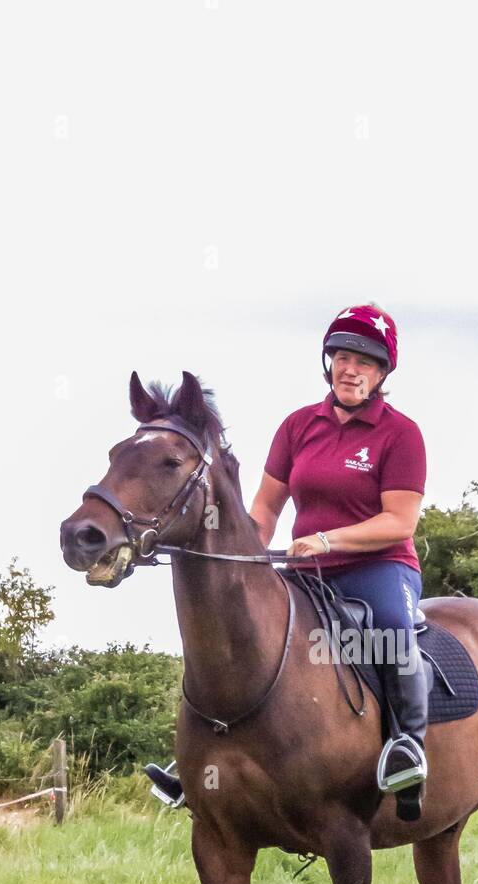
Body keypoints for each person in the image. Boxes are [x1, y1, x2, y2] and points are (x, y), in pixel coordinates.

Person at [146, 303, 430, 820]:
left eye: (364, 361)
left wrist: (328, 540)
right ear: (328, 363)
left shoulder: (400, 433)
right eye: (342, 357)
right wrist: (241, 556)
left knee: (392, 629)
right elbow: (266, 507)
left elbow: (399, 522)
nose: (351, 368)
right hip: (305, 571)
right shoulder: (299, 426)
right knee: (241, 634)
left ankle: (407, 747)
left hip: (380, 567)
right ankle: (204, 760)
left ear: (382, 372)